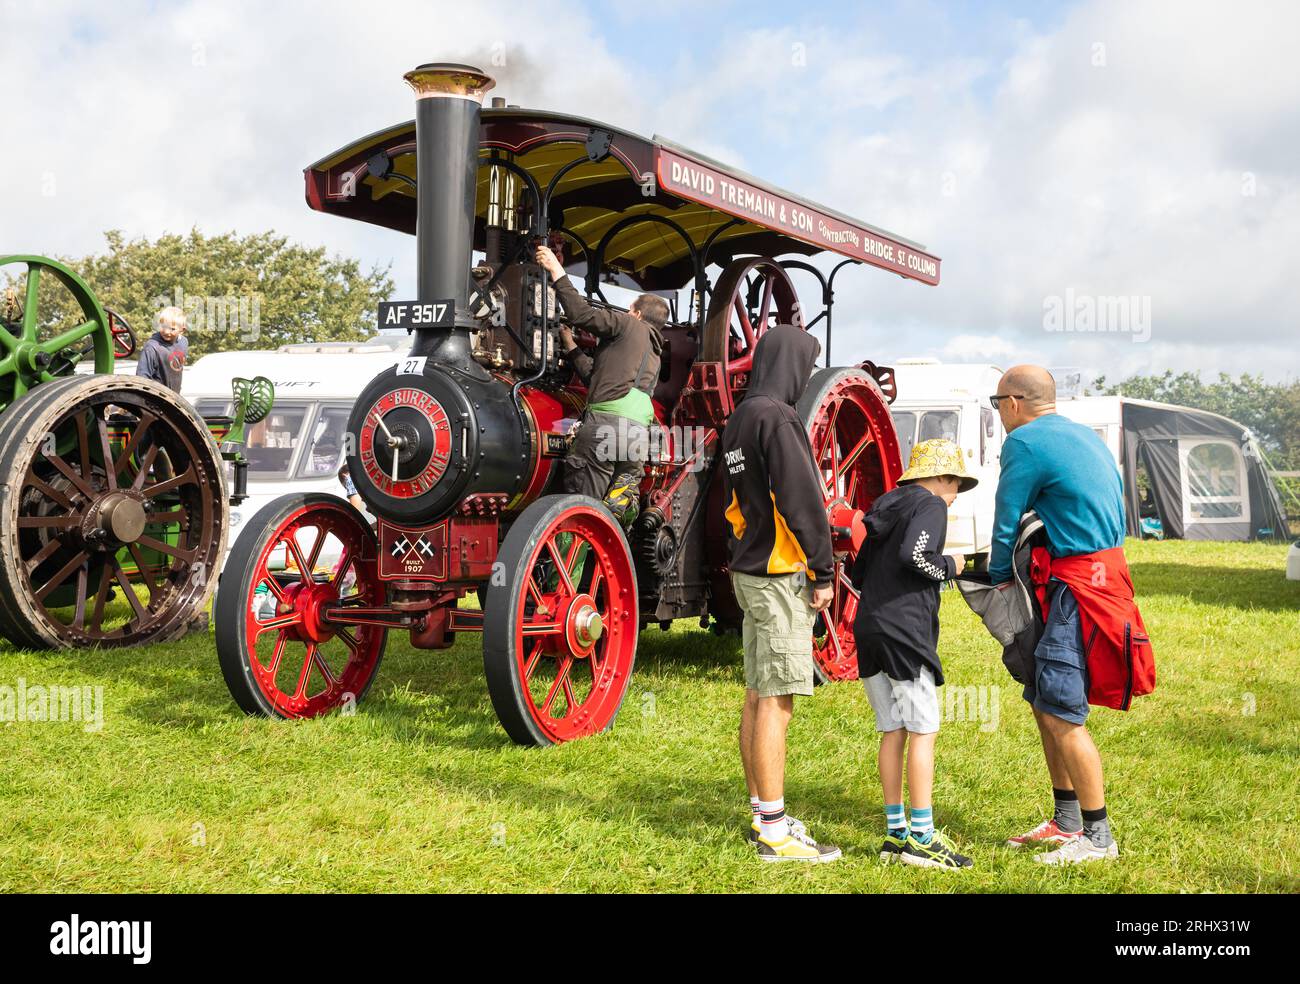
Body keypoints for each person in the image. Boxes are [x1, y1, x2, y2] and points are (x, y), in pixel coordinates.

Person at [989, 365, 1137, 864]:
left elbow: (1007, 517)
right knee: (1042, 698)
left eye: (996, 405)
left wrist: (994, 575)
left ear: (1013, 403)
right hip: (1102, 577)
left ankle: (1098, 838)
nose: (1000, 415)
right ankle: (1067, 820)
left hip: (1078, 585)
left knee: (1060, 709)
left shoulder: (1024, 441)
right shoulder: (1084, 435)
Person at [721, 324, 838, 863]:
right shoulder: (780, 417)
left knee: (757, 691)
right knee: (777, 699)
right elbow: (802, 498)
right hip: (779, 573)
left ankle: (762, 811)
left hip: (749, 569)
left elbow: (736, 501)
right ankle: (774, 833)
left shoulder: (740, 416)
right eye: (807, 365)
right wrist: (822, 569)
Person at [851, 438, 975, 869]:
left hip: (868, 628)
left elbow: (857, 570)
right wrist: (950, 567)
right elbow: (916, 555)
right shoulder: (930, 504)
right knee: (923, 730)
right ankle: (922, 839)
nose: (956, 493)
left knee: (892, 728)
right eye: (956, 482)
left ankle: (895, 833)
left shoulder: (887, 505)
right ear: (940, 476)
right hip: (904, 632)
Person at [532, 244, 665, 516]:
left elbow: (580, 314)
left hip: (606, 428)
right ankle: (612, 535)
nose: (626, 314)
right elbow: (597, 378)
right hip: (637, 437)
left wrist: (556, 270)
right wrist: (571, 345)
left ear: (637, 314)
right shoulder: (655, 351)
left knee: (581, 507)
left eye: (629, 310)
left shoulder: (627, 324)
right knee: (612, 509)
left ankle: (574, 557)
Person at [136, 306, 189, 392]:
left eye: (172, 329)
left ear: (182, 330)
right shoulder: (152, 347)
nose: (166, 331)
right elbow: (142, 377)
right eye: (163, 326)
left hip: (174, 397)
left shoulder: (183, 342)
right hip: (155, 399)